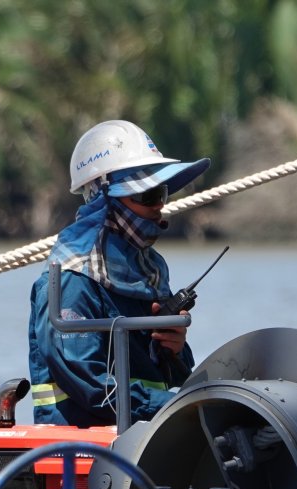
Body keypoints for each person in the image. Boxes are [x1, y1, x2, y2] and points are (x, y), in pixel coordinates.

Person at [27, 120, 211, 427]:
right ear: (103, 200)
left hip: (143, 438)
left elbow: (160, 373)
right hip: (84, 450)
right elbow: (89, 382)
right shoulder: (73, 278)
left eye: (162, 193)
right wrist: (176, 406)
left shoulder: (148, 270)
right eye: (147, 196)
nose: (159, 207)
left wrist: (175, 352)